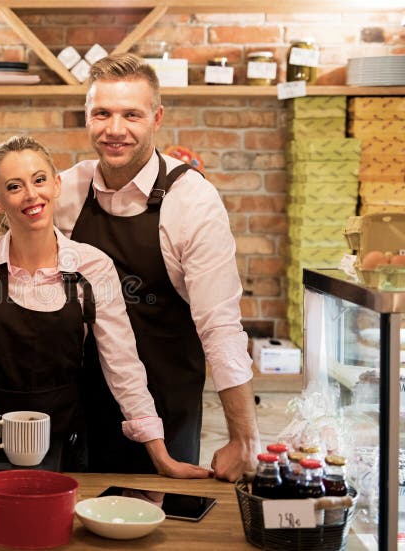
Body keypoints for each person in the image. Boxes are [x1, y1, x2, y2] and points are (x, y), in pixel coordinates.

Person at [0, 135, 210, 478]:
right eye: (14, 186)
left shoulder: (92, 267)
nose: (31, 194)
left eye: (39, 180)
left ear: (56, 185)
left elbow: (124, 366)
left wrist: (161, 456)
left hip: (65, 442)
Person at [55, 53, 260, 481]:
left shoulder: (191, 200)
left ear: (157, 117)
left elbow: (219, 326)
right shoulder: (67, 189)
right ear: (86, 117)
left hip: (164, 410)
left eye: (132, 114)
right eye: (102, 113)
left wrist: (244, 438)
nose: (115, 129)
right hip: (74, 408)